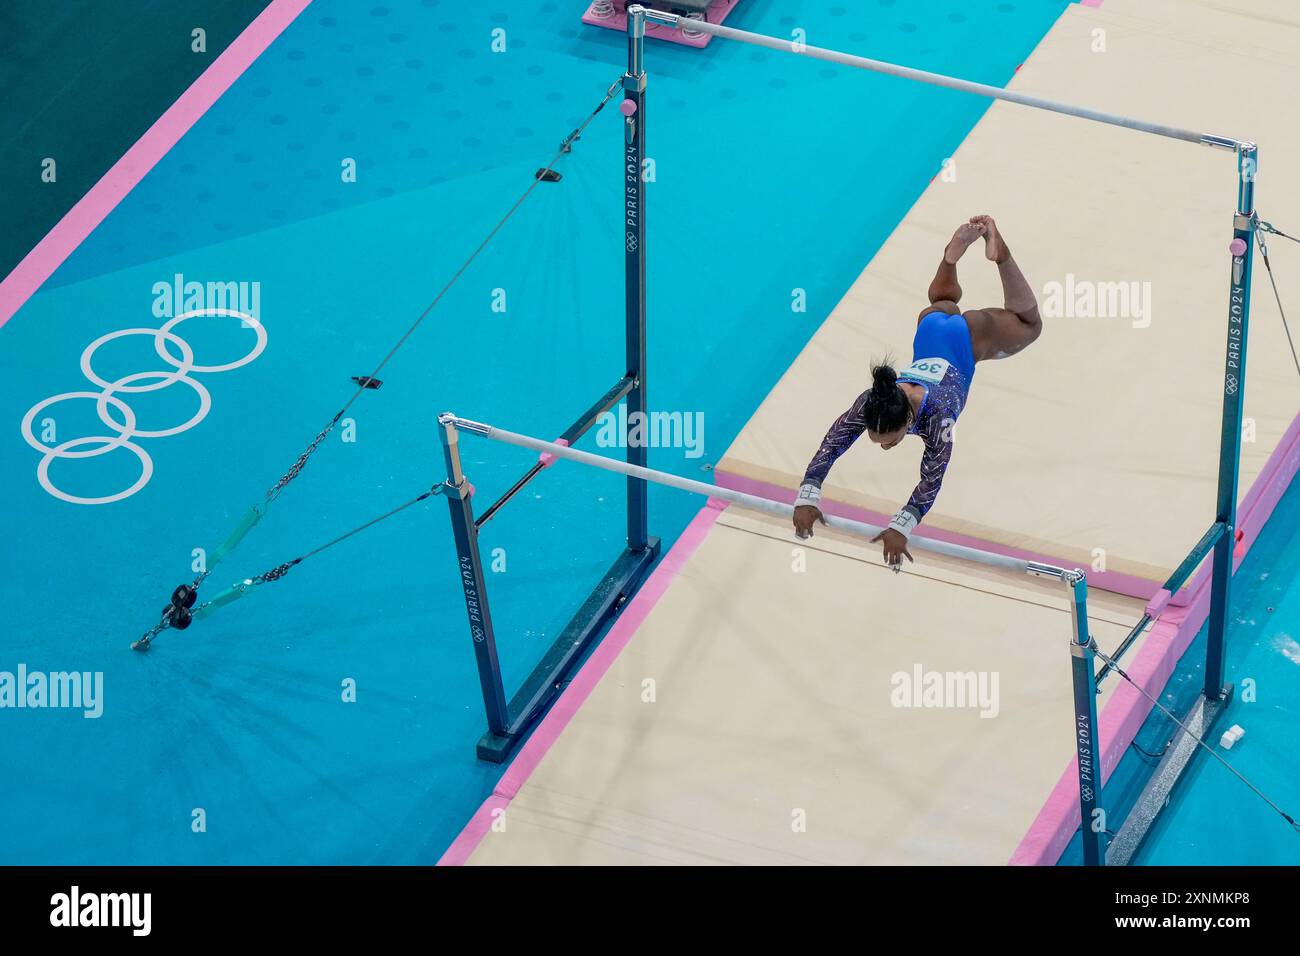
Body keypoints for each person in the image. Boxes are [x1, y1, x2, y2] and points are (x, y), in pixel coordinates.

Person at [792, 215, 1042, 569]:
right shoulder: (874, 401)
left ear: (909, 418)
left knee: (1030, 325)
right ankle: (950, 259)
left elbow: (932, 477)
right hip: (930, 328)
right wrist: (807, 495)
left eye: (891, 440)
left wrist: (902, 525)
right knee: (942, 301)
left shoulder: (937, 416)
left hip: (967, 339)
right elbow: (833, 442)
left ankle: (999, 253)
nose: (889, 445)